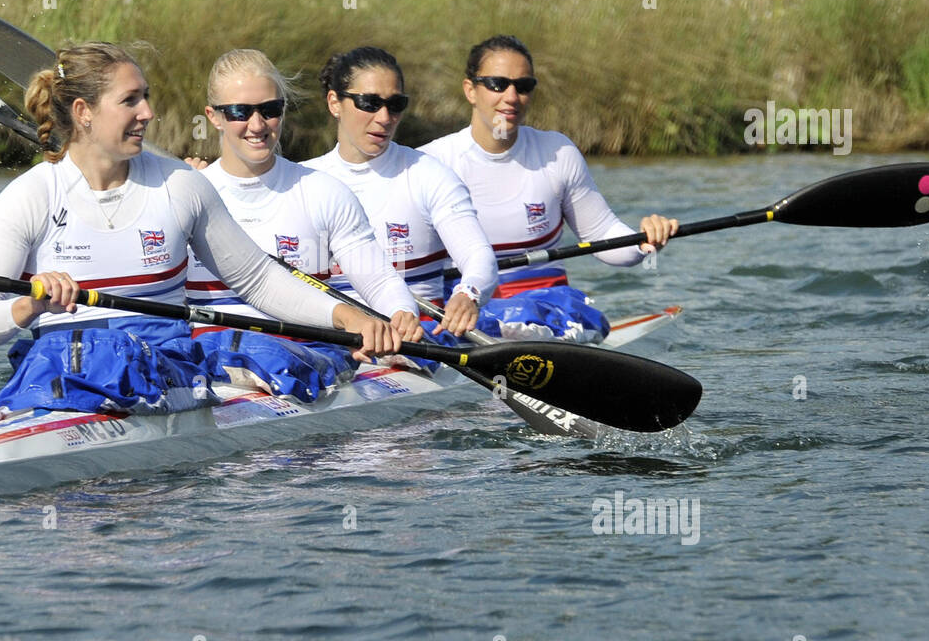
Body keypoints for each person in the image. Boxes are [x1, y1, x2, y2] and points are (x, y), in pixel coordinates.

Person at [0, 42, 400, 417]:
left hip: (167, 366)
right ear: (84, 111)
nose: (147, 112)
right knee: (92, 356)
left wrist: (350, 318)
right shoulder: (31, 197)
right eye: (130, 101)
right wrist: (28, 306)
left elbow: (259, 280)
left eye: (146, 96)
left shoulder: (180, 185)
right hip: (65, 365)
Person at [183, 49, 424, 398]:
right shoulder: (186, 192)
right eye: (240, 112)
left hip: (307, 354)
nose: (257, 125)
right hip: (212, 360)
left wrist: (400, 313)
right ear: (214, 117)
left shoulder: (322, 192)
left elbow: (379, 279)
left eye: (270, 110)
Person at [419, 35, 678, 340]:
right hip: (460, 310)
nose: (512, 97)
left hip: (546, 308)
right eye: (497, 84)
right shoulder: (431, 162)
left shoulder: (556, 153)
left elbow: (602, 235)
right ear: (470, 90)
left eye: (524, 86)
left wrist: (642, 241)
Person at [304, 47, 499, 339]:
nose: (384, 117)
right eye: (369, 103)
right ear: (334, 103)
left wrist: (468, 293)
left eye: (395, 104)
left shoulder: (427, 175)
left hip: (419, 338)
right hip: (334, 340)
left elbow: (478, 255)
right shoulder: (302, 181)